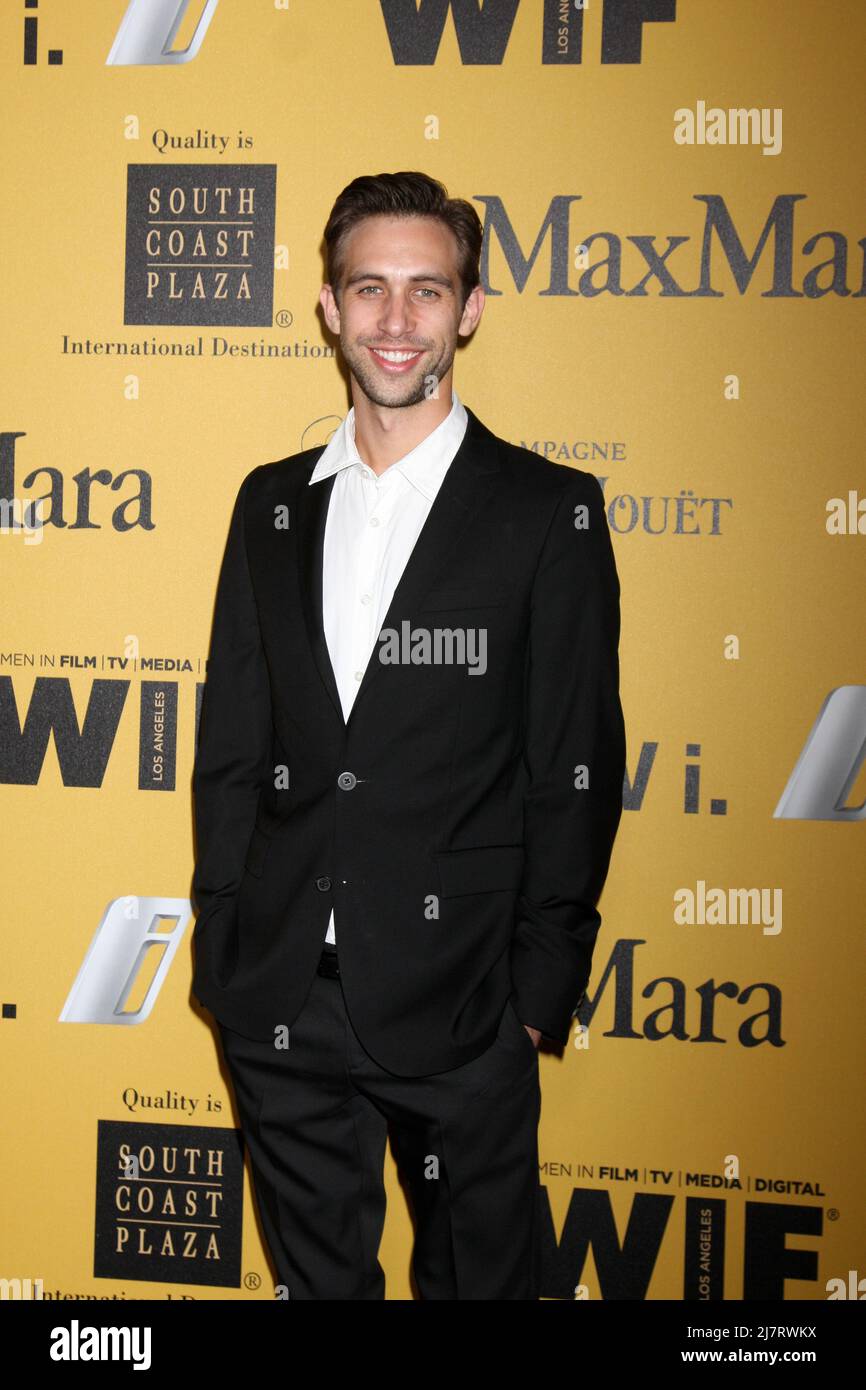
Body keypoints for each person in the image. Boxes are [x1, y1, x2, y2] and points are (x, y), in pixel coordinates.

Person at [191, 170, 626, 1300]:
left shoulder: (546, 511)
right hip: (280, 995)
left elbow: (571, 767)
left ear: (468, 309)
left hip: (465, 1005)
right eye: (368, 289)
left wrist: (536, 999)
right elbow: (234, 741)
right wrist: (225, 938)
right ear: (328, 307)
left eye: (424, 292)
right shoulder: (269, 503)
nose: (395, 321)